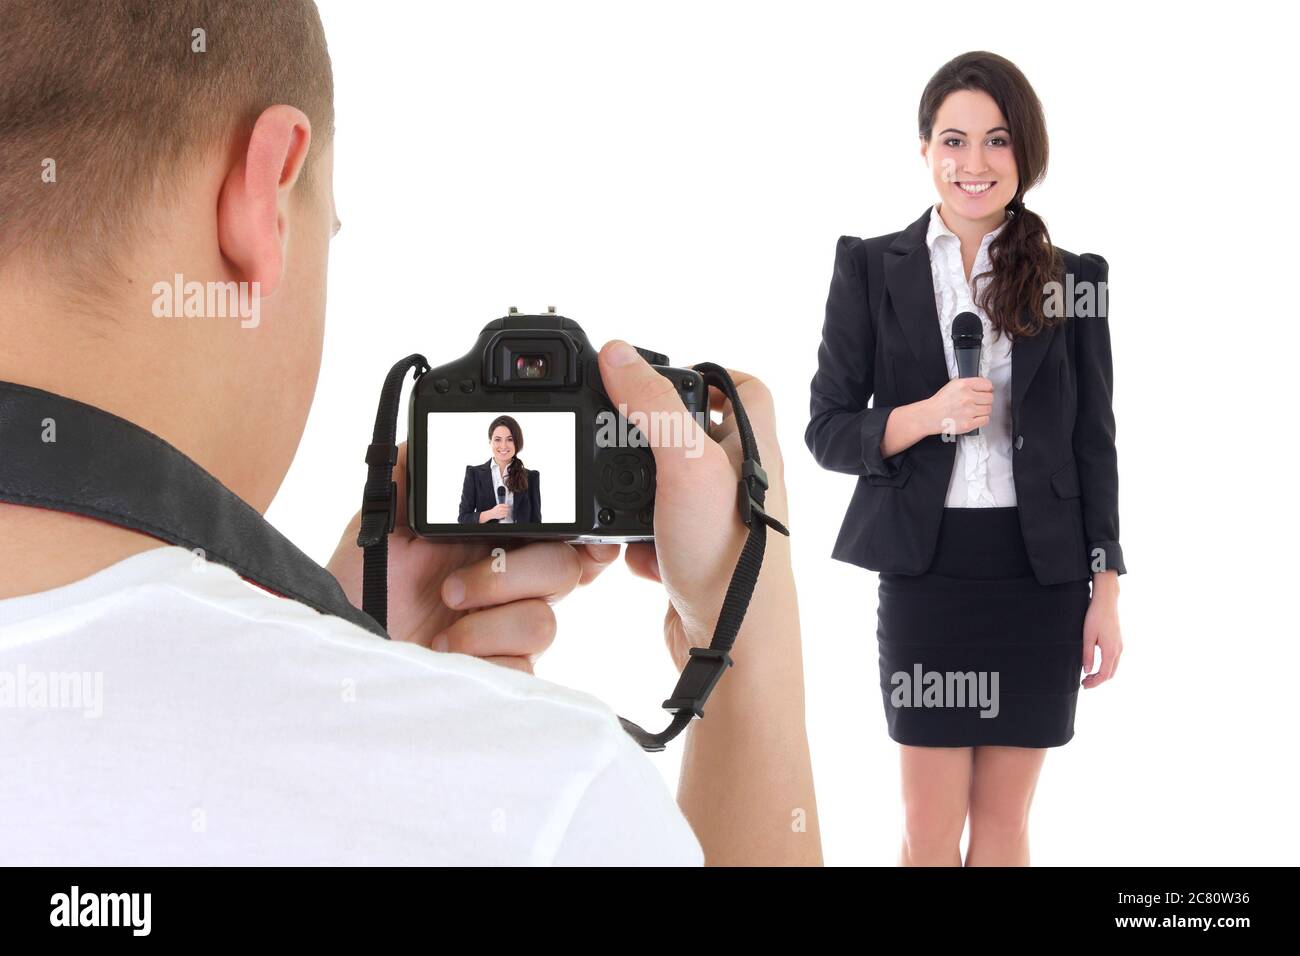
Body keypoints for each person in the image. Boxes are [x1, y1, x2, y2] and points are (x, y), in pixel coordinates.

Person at [0, 0, 820, 866]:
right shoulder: (543, 795)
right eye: (331, 230)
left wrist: (340, 649)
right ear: (261, 195)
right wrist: (743, 643)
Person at [805, 51, 1124, 866]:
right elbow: (828, 430)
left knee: (1008, 827)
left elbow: (1095, 444)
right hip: (927, 575)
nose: (973, 165)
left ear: (1026, 155)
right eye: (953, 141)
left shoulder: (1070, 281)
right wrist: (926, 415)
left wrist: (1106, 592)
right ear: (924, 150)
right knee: (928, 830)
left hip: (1041, 579)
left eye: (997, 142)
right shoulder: (871, 267)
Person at [458, 415, 541, 524]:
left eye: (510, 439)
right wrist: (491, 514)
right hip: (486, 540)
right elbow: (463, 519)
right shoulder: (474, 474)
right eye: (497, 439)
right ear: (490, 442)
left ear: (517, 442)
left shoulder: (531, 477)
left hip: (520, 541)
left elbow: (536, 524)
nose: (503, 446)